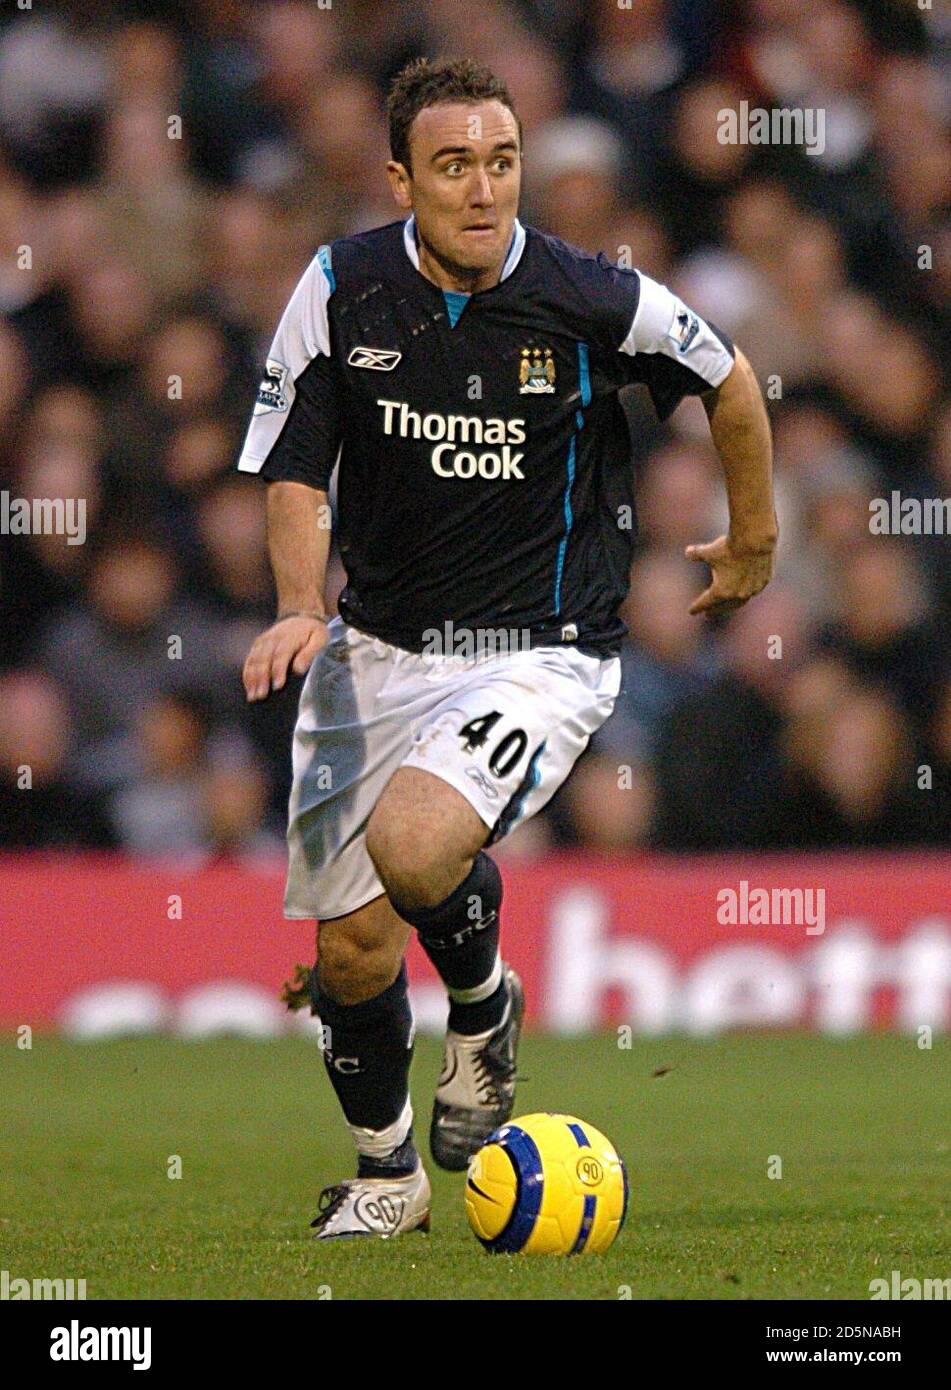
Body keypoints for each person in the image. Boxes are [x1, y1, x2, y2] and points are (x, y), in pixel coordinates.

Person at [237, 57, 776, 1240]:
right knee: (350, 952)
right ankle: (389, 1178)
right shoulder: (340, 286)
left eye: (502, 162)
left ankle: (481, 1012)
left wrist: (755, 536)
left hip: (541, 648)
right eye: (453, 166)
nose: (484, 190)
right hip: (372, 651)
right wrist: (294, 601)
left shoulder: (593, 297)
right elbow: (292, 463)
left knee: (419, 845)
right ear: (400, 179)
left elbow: (732, 379)